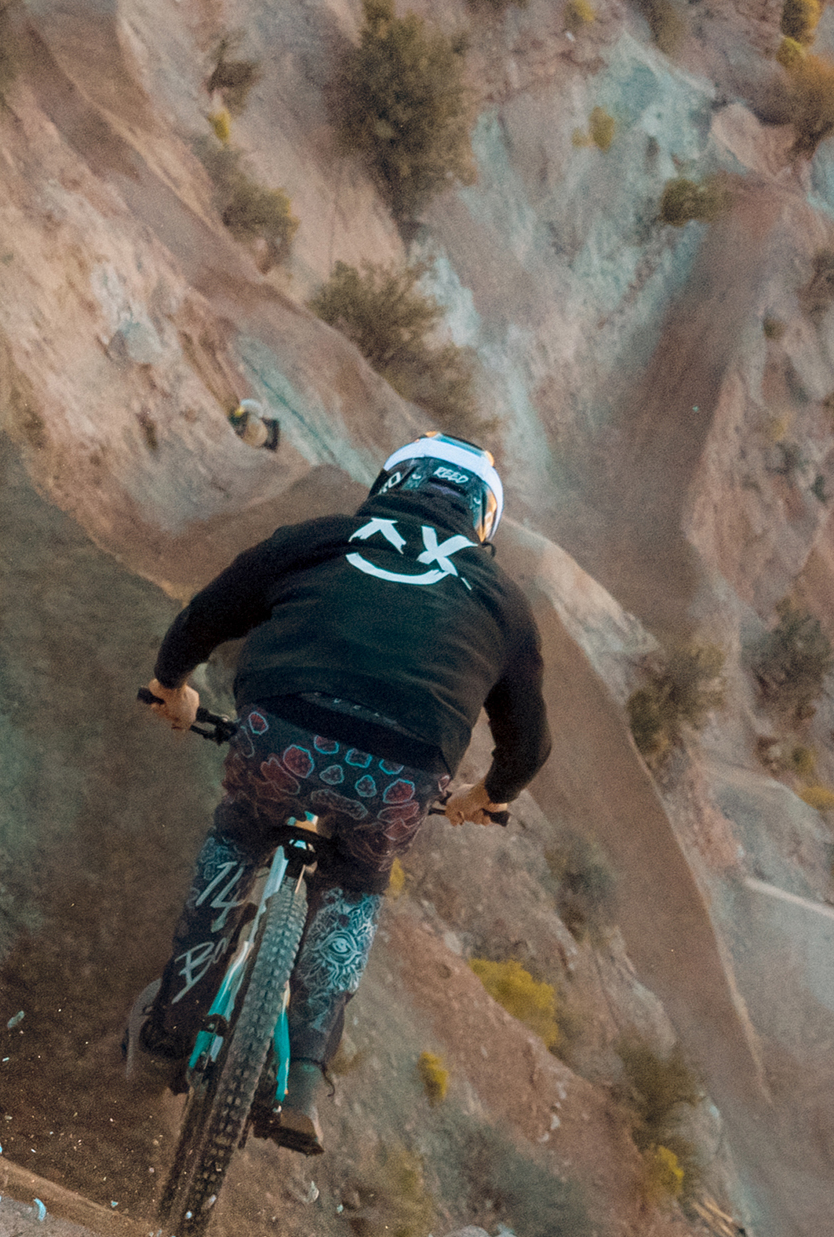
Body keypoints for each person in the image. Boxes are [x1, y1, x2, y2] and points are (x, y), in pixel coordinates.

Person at [127, 432, 552, 1154]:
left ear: (393, 482)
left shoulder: (316, 539)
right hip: (401, 775)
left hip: (280, 736)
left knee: (239, 838)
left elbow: (205, 615)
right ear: (485, 518)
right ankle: (302, 1082)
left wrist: (172, 686)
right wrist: (485, 794)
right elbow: (530, 743)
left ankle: (170, 1028)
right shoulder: (504, 603)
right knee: (354, 888)